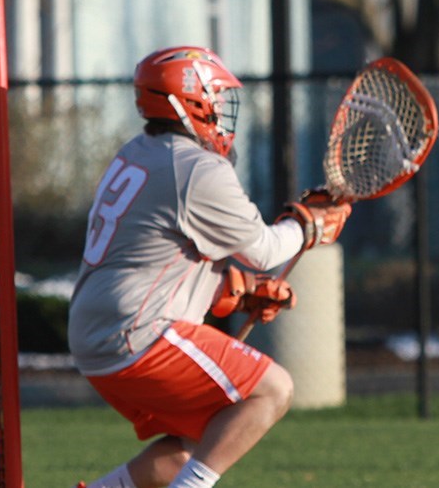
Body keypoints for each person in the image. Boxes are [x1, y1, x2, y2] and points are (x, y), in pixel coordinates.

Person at [69, 46, 352, 488]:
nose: (221, 110)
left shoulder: (138, 153)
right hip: (139, 333)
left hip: (96, 334)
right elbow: (264, 250)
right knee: (272, 389)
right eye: (216, 98)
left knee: (199, 442)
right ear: (190, 101)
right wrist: (309, 226)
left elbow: (151, 255)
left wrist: (234, 289)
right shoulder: (195, 168)